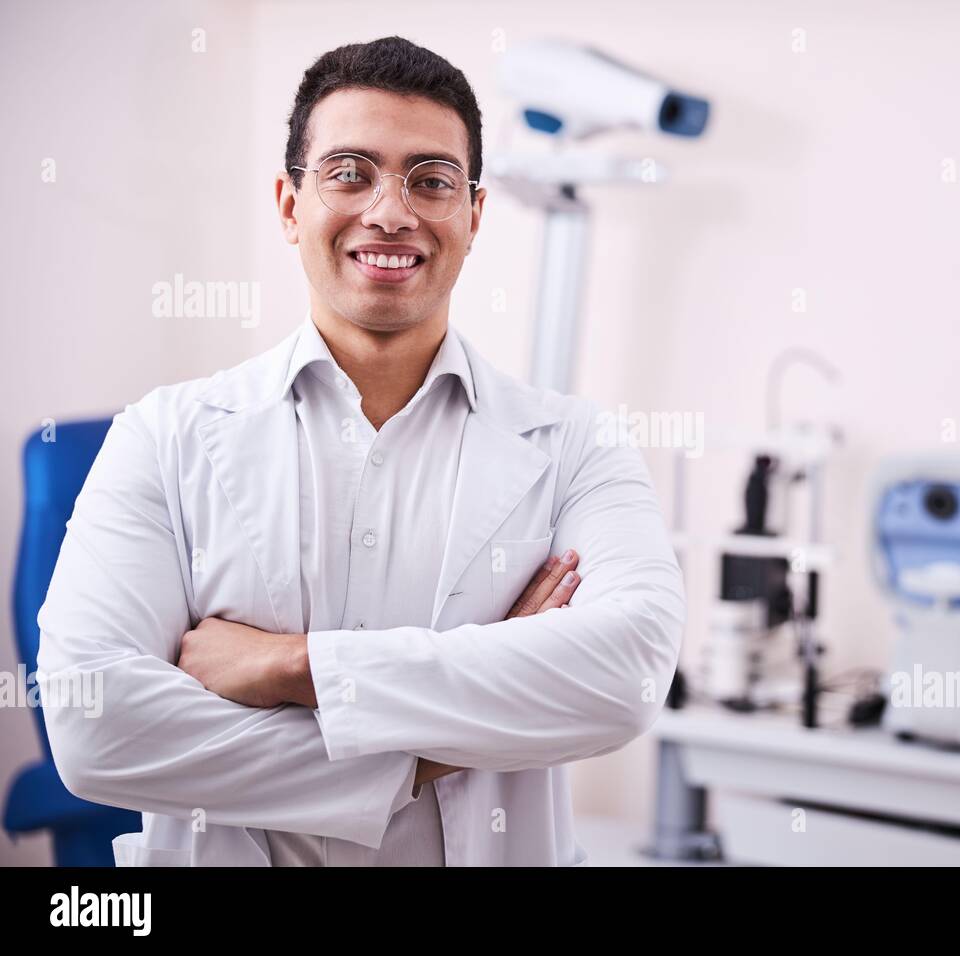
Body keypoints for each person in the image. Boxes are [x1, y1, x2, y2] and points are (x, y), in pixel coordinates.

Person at [35, 36, 685, 867]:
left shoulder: (576, 447)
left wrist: (288, 666)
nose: (391, 211)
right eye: (349, 172)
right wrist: (444, 743)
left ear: (474, 215)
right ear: (287, 204)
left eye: (432, 180)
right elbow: (93, 726)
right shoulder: (163, 436)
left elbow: (626, 674)